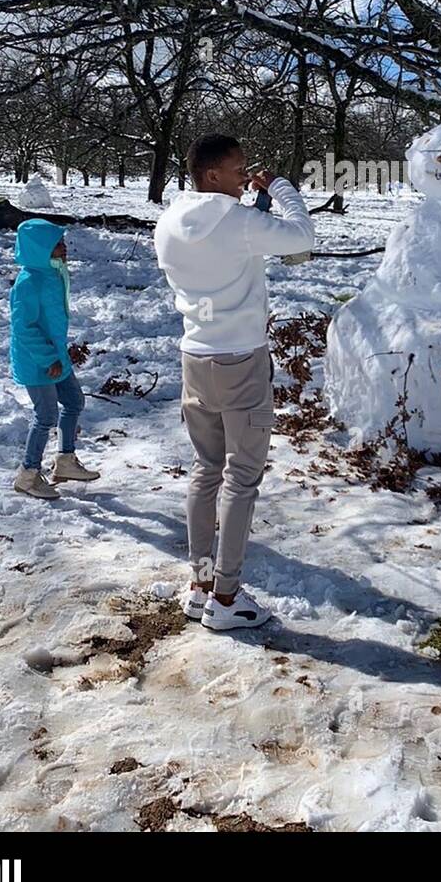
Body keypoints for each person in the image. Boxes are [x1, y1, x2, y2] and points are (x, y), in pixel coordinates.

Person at [154, 133, 315, 632]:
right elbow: (301, 239)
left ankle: (201, 585)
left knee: (205, 472)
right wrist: (283, 189)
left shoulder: (168, 221)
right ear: (211, 175)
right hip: (241, 360)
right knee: (240, 479)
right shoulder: (241, 222)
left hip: (195, 356)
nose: (247, 176)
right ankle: (226, 595)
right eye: (239, 169)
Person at [10, 219, 98, 499]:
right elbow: (24, 328)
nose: (65, 248)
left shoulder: (53, 274)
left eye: (63, 242)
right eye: (57, 244)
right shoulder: (28, 283)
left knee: (73, 401)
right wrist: (49, 358)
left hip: (55, 355)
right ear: (39, 249)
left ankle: (65, 461)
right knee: (46, 414)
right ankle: (28, 474)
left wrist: (59, 353)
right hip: (38, 362)